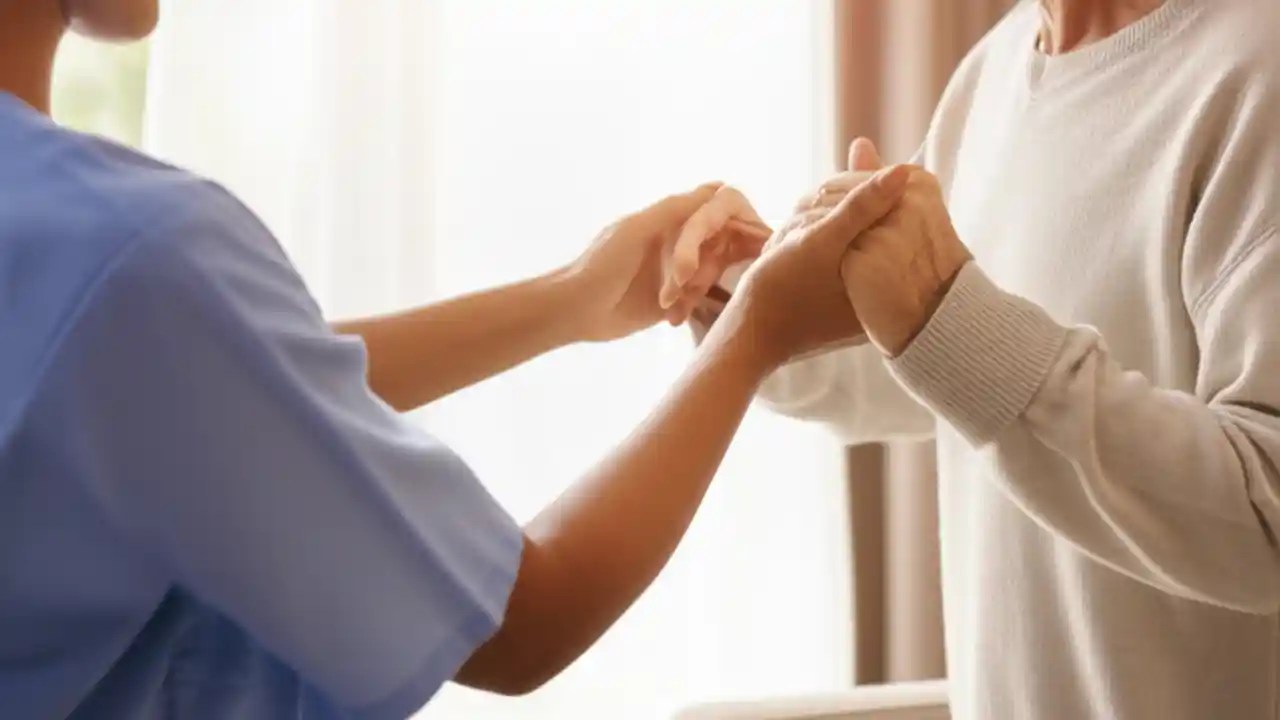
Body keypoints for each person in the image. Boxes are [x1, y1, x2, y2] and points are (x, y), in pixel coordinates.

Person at [0, 1, 915, 718]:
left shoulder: (83, 255)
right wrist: (757, 330)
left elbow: (196, 394)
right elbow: (526, 623)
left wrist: (570, 298)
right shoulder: (141, 258)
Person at [695, 0, 1278, 718]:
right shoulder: (996, 68)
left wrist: (942, 310)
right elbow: (942, 370)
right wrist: (746, 300)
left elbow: (1267, 514)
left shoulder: (1260, 70)